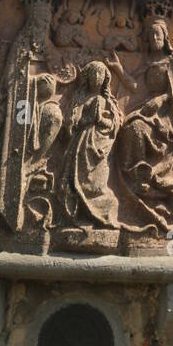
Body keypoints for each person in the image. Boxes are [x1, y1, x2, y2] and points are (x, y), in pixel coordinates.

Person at [109, 18, 173, 233]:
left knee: (137, 127)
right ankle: (135, 177)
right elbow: (135, 86)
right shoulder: (147, 62)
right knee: (130, 128)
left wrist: (162, 100)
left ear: (165, 38)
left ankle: (152, 183)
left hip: (167, 116)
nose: (154, 38)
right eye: (151, 35)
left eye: (158, 35)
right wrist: (118, 70)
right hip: (149, 110)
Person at [58, 61, 121, 228]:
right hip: (82, 145)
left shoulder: (107, 101)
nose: (96, 78)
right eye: (93, 74)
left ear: (105, 79)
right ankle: (79, 210)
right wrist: (87, 119)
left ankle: (97, 211)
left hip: (102, 146)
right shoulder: (81, 99)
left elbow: (115, 124)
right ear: (87, 77)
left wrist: (102, 120)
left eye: (100, 74)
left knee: (99, 186)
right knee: (78, 180)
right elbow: (72, 123)